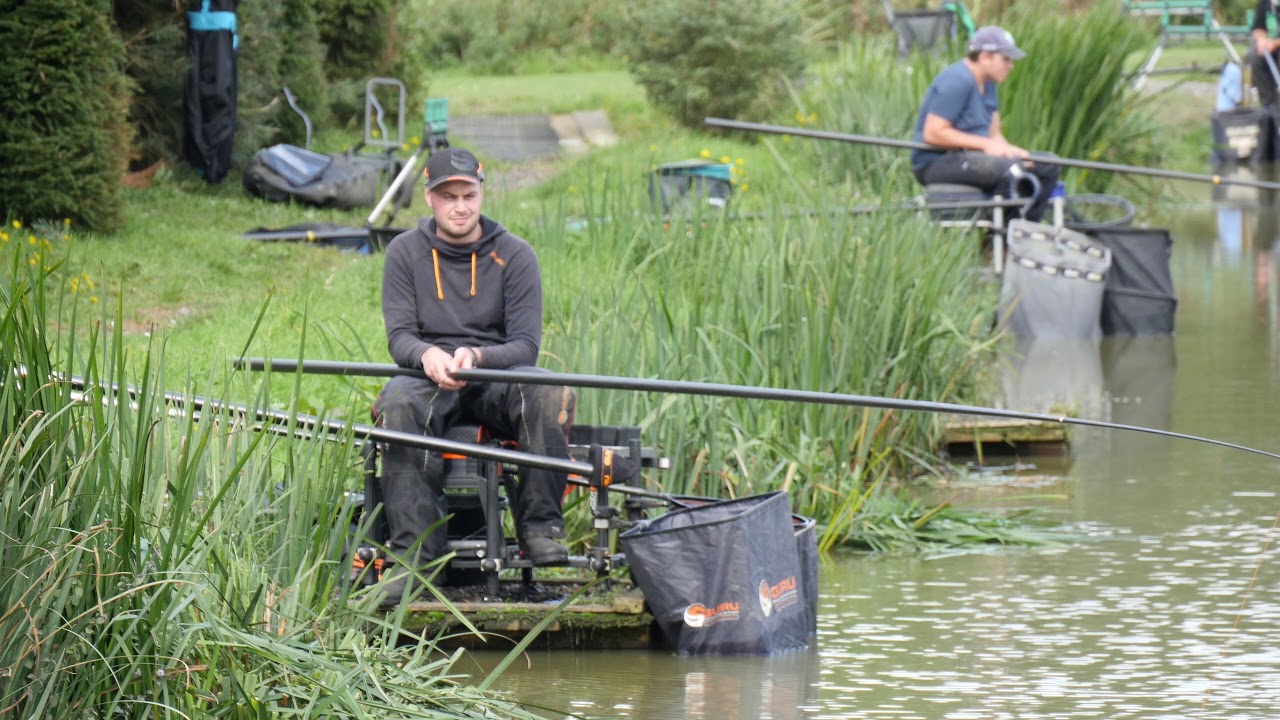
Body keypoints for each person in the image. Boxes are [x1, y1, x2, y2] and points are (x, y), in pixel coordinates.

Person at [373, 146, 577, 605]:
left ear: (482, 194)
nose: (460, 206)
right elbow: (400, 336)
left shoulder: (516, 254)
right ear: (429, 198)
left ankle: (541, 527)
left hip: (495, 372)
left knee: (548, 391)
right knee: (398, 403)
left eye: (468, 194)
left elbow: (526, 344)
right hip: (428, 375)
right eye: (449, 196)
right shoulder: (404, 253)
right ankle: (413, 559)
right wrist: (426, 356)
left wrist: (477, 357)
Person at [910, 25, 1060, 223]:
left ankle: (1027, 230)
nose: (1010, 66)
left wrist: (1014, 151)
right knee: (1011, 170)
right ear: (985, 56)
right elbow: (933, 133)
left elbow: (994, 135)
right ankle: (996, 241)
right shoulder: (957, 80)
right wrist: (988, 146)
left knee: (1048, 165)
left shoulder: (988, 84)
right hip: (936, 162)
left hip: (974, 157)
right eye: (1005, 59)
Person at [1252, 0, 1280, 109]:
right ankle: (1269, 107)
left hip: (1276, 45)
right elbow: (1258, 28)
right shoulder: (1265, 3)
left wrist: (1275, 43)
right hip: (1270, 46)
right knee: (1254, 57)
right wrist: (1261, 40)